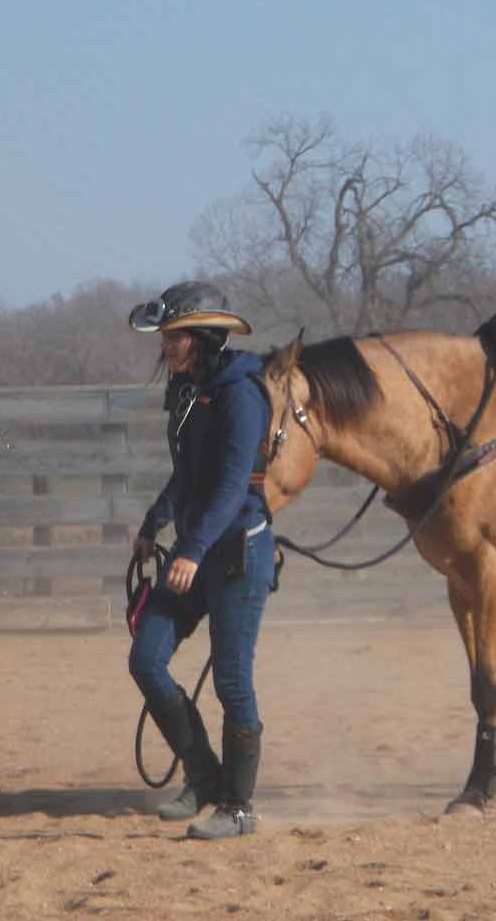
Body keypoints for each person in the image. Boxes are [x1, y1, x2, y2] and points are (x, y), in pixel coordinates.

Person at [126, 280, 275, 840]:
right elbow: (188, 475)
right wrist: (154, 522)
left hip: (238, 554)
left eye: (174, 335)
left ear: (202, 337)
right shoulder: (190, 392)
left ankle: (238, 808)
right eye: (165, 336)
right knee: (146, 659)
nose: (166, 345)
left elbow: (234, 485)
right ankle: (204, 777)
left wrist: (190, 548)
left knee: (232, 682)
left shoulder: (242, 395)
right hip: (194, 554)